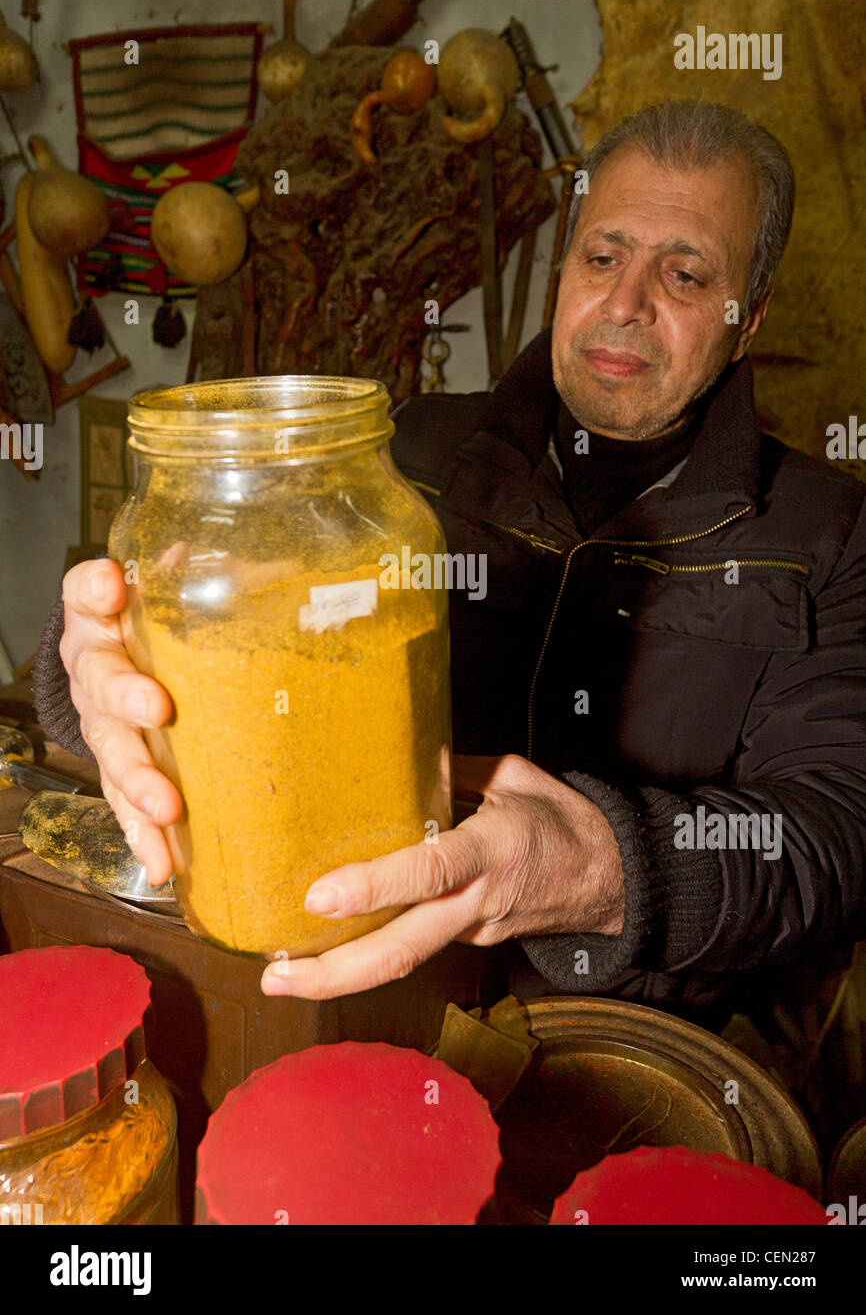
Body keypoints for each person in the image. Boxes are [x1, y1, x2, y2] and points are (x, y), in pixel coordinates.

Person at [33, 100, 866, 1027]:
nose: (625, 305)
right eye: (603, 256)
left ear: (746, 318)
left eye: (684, 274)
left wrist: (606, 875)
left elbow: (835, 839)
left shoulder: (829, 532)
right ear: (564, 267)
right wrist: (91, 671)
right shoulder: (394, 457)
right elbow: (203, 656)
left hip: (630, 1030)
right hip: (351, 973)